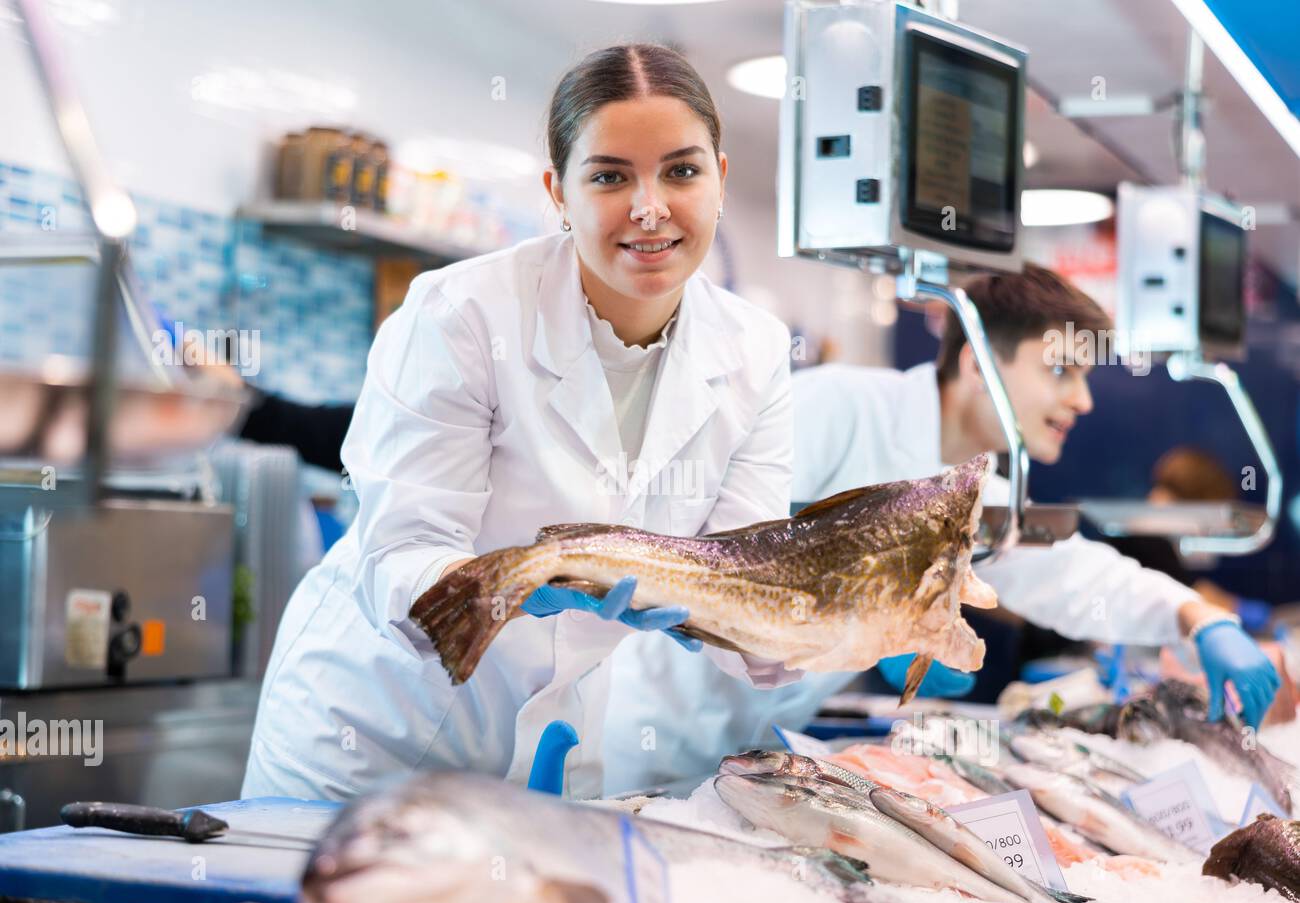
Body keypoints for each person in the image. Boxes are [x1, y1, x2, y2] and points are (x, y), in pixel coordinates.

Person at [241, 44, 801, 801]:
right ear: (559, 193)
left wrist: (820, 624)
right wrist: (515, 586)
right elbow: (401, 557)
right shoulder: (462, 315)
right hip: (371, 734)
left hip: (550, 733)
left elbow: (742, 581)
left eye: (681, 170)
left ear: (721, 179)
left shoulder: (757, 350)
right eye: (609, 176)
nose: (650, 207)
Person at [603, 264, 1280, 794]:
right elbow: (717, 559)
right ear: (975, 364)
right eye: (1060, 370)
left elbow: (1072, 573)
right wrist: (872, 632)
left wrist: (1197, 616)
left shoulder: (985, 491)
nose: (1083, 399)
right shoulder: (836, 409)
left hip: (743, 747)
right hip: (631, 733)